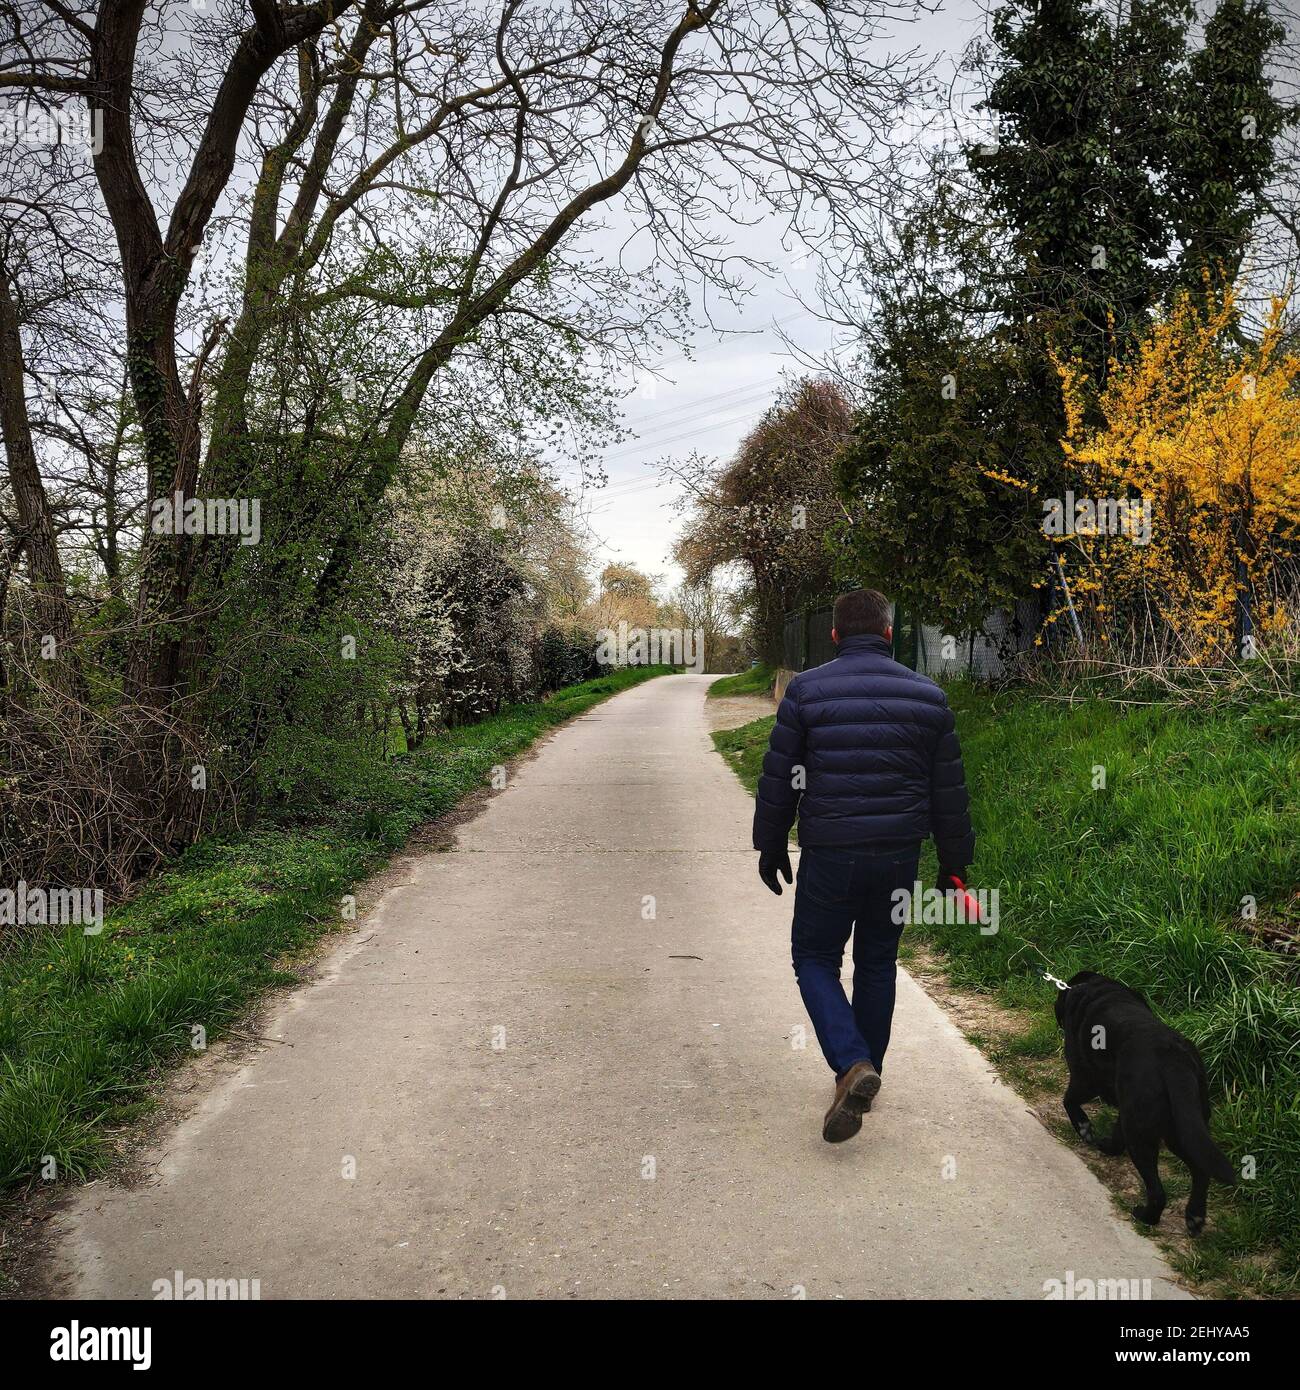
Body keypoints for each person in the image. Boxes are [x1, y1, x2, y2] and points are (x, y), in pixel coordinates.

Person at [753, 589, 975, 1142]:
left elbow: (781, 775)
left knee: (814, 957)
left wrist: (772, 841)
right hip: (899, 854)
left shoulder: (805, 690)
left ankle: (852, 1064)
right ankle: (861, 1070)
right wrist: (954, 868)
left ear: (833, 635)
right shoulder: (929, 697)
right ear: (889, 633)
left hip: (830, 853)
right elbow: (949, 793)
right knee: (878, 962)